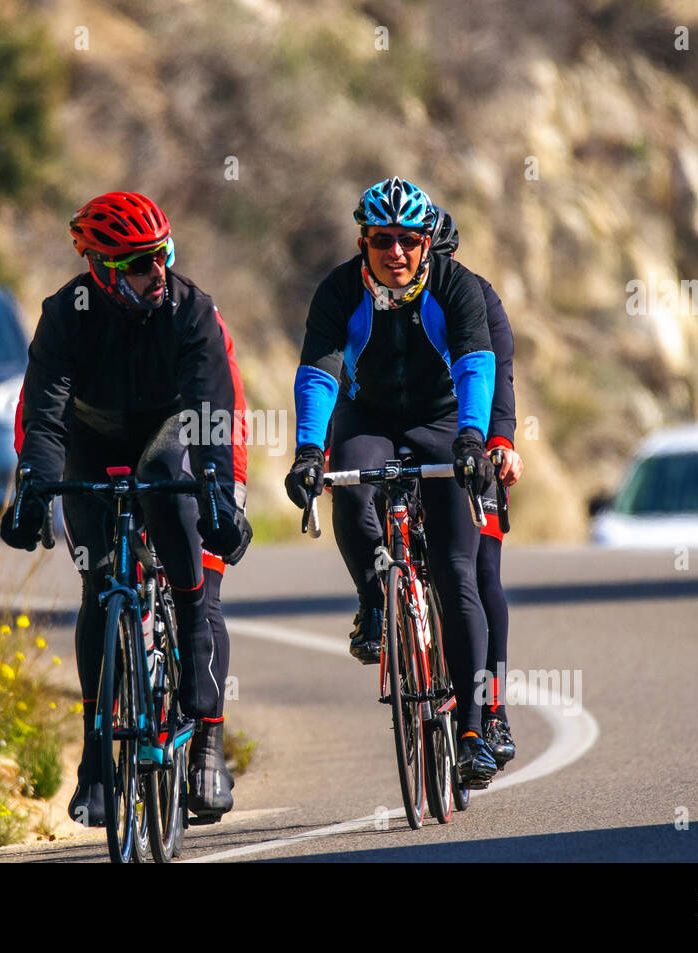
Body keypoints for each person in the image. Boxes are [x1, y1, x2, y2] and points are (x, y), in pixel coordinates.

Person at [1, 191, 251, 823]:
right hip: (90, 433)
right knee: (98, 583)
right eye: (141, 262)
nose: (157, 270)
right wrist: (33, 490)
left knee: (170, 486)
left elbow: (212, 412)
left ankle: (207, 746)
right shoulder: (67, 314)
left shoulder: (190, 310)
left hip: (172, 423)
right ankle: (94, 759)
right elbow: (45, 416)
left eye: (162, 254)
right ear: (104, 271)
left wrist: (220, 492)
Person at [284, 176, 499, 785]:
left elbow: (476, 365)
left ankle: (474, 730)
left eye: (408, 240)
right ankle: (374, 601)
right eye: (382, 241)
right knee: (352, 496)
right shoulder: (337, 290)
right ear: (363, 241)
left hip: (441, 419)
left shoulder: (457, 287)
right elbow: (320, 374)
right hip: (368, 415)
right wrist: (307, 450)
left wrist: (472, 440)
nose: (396, 253)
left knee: (459, 574)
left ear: (428, 241)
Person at [430, 210, 523, 770]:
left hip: (469, 440)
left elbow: (501, 374)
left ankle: (492, 709)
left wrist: (501, 440)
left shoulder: (475, 298)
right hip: (409, 437)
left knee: (482, 569)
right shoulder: (376, 302)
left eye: (439, 257)